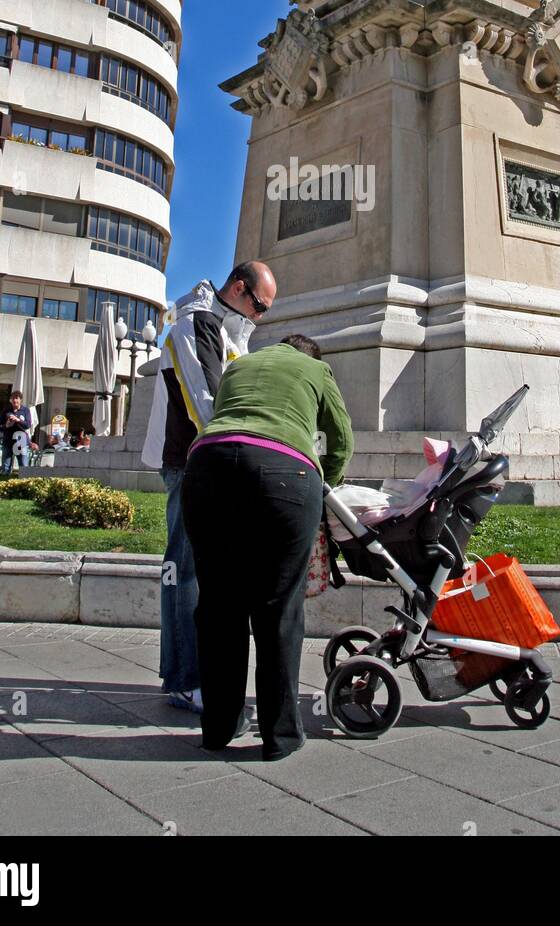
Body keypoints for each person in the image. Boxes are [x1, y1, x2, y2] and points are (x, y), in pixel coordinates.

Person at [183, 334, 353, 761]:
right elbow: (342, 440)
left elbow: (229, 421)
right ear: (311, 355)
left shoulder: (238, 366)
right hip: (285, 473)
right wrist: (324, 483)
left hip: (208, 466)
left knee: (219, 606)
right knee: (278, 608)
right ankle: (280, 736)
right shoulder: (316, 370)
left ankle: (219, 727)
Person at [141, 262, 277, 716]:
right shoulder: (196, 323)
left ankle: (195, 674)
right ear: (239, 288)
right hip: (189, 462)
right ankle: (184, 679)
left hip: (208, 461)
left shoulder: (232, 327)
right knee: (183, 569)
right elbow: (206, 400)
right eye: (258, 305)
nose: (260, 316)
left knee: (201, 571)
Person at [0, 390, 32, 474]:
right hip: (8, 441)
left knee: (23, 465)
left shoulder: (25, 410)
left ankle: (24, 484)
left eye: (16, 398)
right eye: (13, 398)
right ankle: (5, 484)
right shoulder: (6, 411)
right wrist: (6, 425)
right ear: (10, 400)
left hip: (21, 441)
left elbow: (28, 425)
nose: (14, 400)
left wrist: (18, 420)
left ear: (20, 400)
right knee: (5, 467)